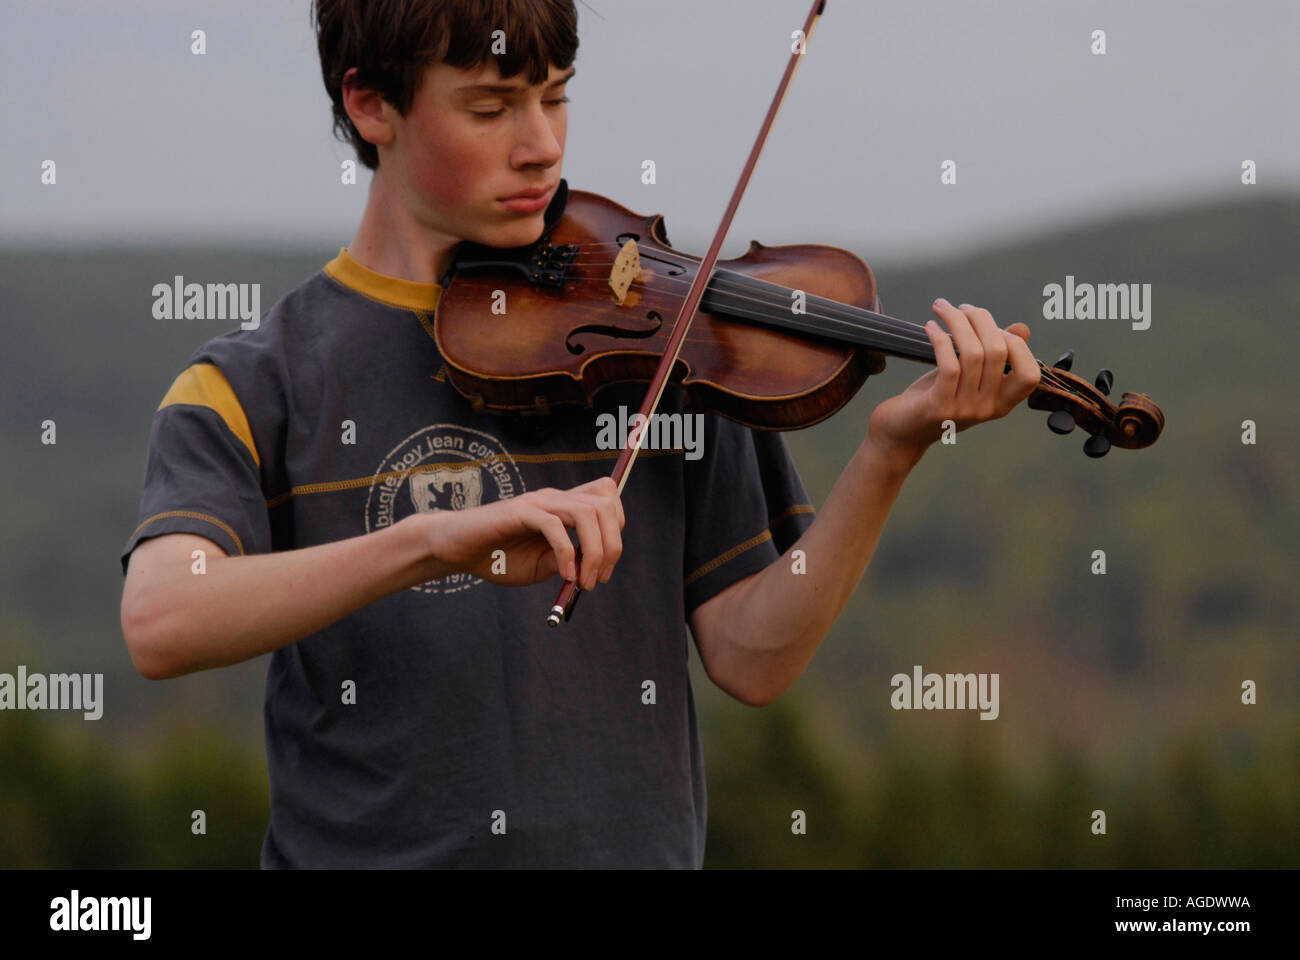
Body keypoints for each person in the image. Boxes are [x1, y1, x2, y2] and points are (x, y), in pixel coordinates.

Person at [118, 0, 1039, 868]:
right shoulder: (253, 382)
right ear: (371, 105)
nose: (542, 146)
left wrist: (890, 453)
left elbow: (755, 659)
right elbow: (162, 621)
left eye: (556, 97)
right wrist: (429, 542)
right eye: (491, 108)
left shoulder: (663, 341)